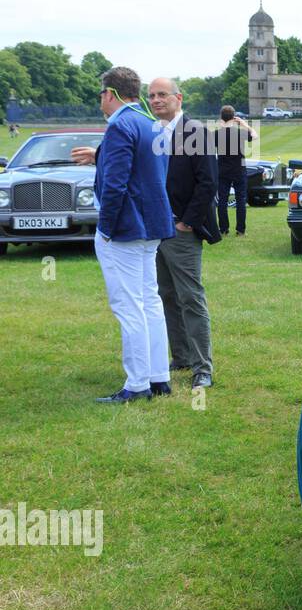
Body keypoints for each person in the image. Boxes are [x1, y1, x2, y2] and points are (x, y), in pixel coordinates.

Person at [89, 67, 174, 403]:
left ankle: (137, 384)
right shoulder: (151, 123)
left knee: (129, 305)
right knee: (149, 300)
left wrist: (107, 228)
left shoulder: (121, 125)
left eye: (101, 96)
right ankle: (158, 377)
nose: (100, 102)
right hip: (151, 224)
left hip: (125, 228)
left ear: (110, 94)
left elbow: (115, 184)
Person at [146, 78, 221, 390]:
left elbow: (208, 182)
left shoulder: (197, 132)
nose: (156, 100)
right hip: (156, 230)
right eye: (151, 96)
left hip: (181, 229)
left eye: (162, 95)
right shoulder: (152, 132)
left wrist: (187, 222)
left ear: (178, 98)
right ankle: (181, 357)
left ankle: (203, 368)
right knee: (166, 295)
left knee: (190, 297)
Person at [214, 105, 257, 235]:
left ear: (221, 118)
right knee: (241, 200)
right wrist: (244, 124)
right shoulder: (241, 132)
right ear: (234, 118)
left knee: (222, 200)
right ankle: (240, 230)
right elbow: (254, 135)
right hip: (239, 169)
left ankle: (223, 229)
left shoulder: (216, 134)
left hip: (222, 170)